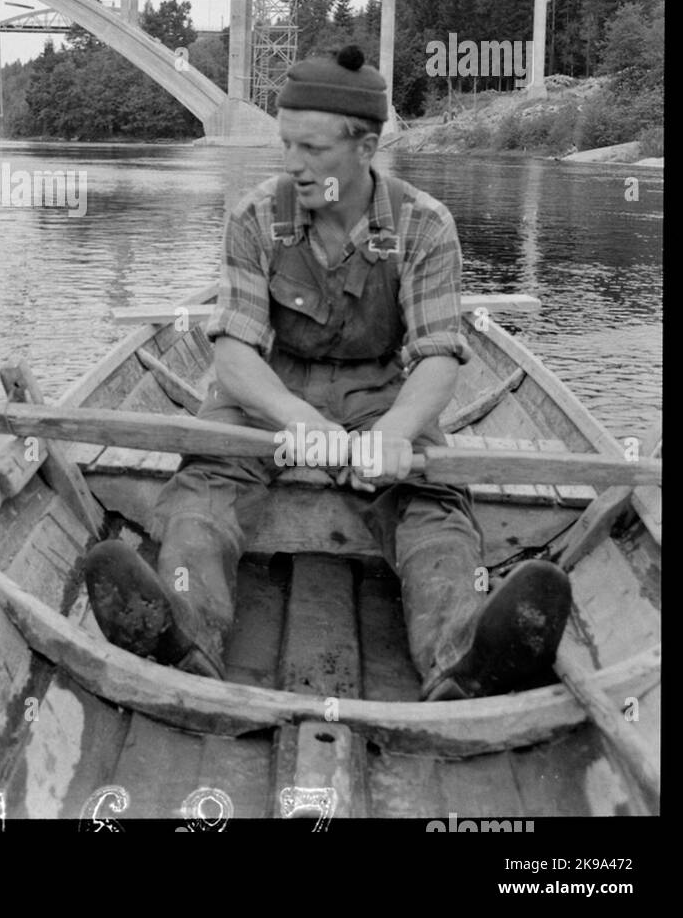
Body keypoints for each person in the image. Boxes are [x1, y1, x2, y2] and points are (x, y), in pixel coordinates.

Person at [85, 45, 571, 701]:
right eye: (287, 144)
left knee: (431, 503)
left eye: (312, 148)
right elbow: (232, 356)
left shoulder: (425, 226)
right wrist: (302, 420)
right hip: (263, 388)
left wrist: (397, 431)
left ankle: (462, 650)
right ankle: (182, 631)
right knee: (206, 486)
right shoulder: (255, 218)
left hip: (381, 391)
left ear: (366, 147)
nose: (292, 163)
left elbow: (436, 354)